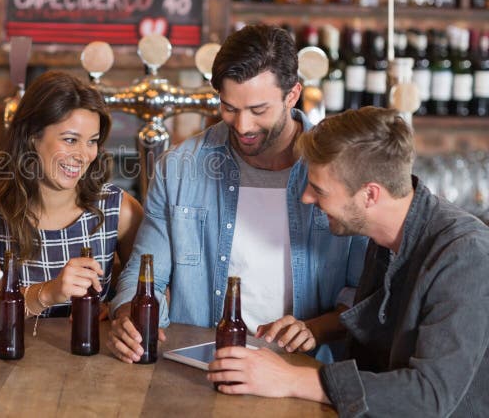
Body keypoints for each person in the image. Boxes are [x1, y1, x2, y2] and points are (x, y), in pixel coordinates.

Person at [108, 24, 368, 363]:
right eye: (229, 107)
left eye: (258, 110)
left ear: (292, 95)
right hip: (200, 366)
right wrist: (128, 315)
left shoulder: (342, 168)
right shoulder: (181, 167)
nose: (243, 126)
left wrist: (315, 329)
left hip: (304, 371)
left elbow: (363, 293)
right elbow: (146, 274)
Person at [208, 107, 489, 416]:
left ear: (370, 195)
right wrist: (314, 329)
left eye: (318, 189)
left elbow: (428, 397)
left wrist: (291, 379)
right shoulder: (385, 239)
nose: (306, 198)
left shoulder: (465, 255)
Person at [0, 70, 143, 328]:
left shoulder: (120, 209)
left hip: (94, 364)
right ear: (32, 137)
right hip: (12, 364)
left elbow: (151, 292)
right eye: (70, 140)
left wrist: (118, 308)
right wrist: (48, 293)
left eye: (92, 142)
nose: (82, 155)